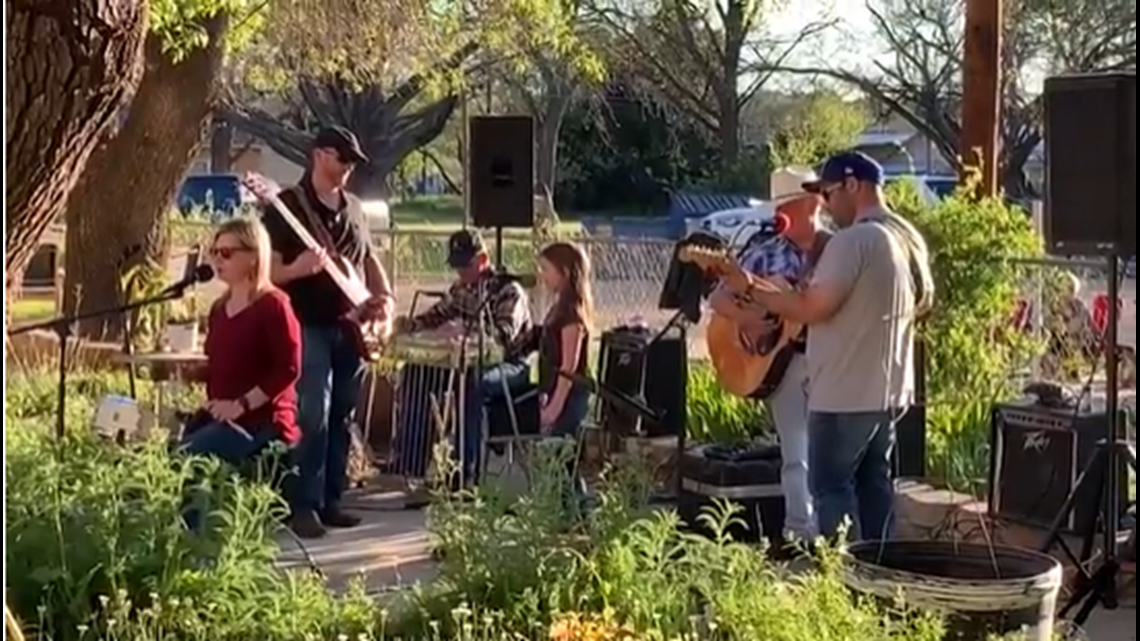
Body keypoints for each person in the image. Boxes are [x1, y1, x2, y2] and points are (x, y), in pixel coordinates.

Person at [746, 151, 934, 542]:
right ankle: (879, 568)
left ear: (852, 185)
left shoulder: (854, 240)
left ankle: (842, 572)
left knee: (831, 489)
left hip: (843, 394)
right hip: (887, 393)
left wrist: (750, 289)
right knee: (874, 487)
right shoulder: (906, 237)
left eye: (829, 194)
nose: (826, 206)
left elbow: (811, 308)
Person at [261, 126, 395, 539]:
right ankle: (302, 505)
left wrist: (386, 300)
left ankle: (331, 499)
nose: (349, 167)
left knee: (342, 413)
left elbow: (368, 259)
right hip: (307, 324)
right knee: (312, 414)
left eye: (353, 161)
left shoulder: (354, 207)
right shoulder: (286, 206)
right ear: (319, 155)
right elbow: (268, 271)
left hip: (353, 328)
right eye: (343, 158)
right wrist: (298, 268)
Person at [706, 166, 829, 545]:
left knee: (830, 454)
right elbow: (717, 297)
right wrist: (747, 318)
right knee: (796, 453)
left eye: (788, 205)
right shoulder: (764, 250)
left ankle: (834, 533)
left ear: (811, 204)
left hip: (830, 360)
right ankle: (800, 534)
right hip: (784, 363)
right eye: (779, 207)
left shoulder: (837, 249)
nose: (781, 213)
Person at [395, 229, 533, 483]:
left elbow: (503, 336)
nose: (461, 273)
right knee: (415, 372)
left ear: (483, 259)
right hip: (465, 362)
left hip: (510, 365)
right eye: (457, 266)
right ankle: (409, 463)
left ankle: (465, 471)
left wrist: (467, 330)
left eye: (466, 266)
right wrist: (407, 325)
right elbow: (436, 315)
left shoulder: (509, 291)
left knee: (471, 383)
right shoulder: (460, 289)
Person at [180, 218, 302, 466]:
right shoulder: (219, 308)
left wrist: (241, 405)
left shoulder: (274, 305)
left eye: (226, 253)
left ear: (254, 257)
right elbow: (222, 362)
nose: (217, 260)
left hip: (261, 422)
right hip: (223, 417)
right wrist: (194, 372)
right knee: (170, 450)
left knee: (186, 456)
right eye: (214, 252)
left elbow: (288, 368)